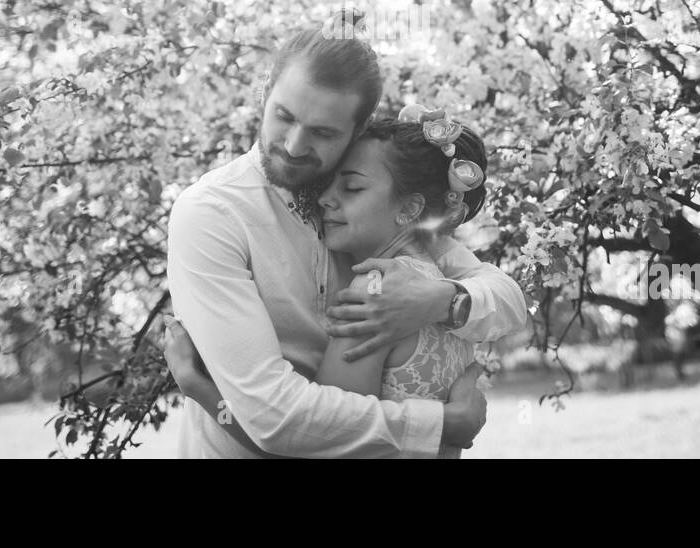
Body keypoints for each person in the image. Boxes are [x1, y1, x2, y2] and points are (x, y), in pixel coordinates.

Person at [162, 24, 527, 458]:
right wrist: (444, 424)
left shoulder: (371, 214)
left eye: (323, 133)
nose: (295, 146)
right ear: (265, 92)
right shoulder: (212, 215)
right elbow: (273, 417)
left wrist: (444, 302)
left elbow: (506, 298)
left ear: (357, 130)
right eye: (284, 116)